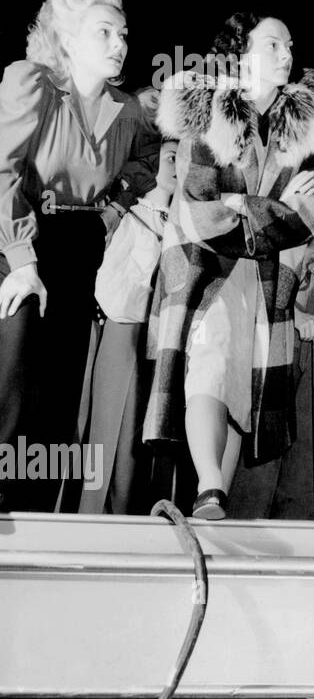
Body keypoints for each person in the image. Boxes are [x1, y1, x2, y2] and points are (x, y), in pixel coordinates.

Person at [143, 13, 314, 520]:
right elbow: (204, 215)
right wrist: (271, 210)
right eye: (273, 43)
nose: (286, 53)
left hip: (267, 278)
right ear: (241, 54)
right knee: (211, 364)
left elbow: (311, 217)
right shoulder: (205, 114)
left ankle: (214, 502)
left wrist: (244, 205)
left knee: (244, 384)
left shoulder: (305, 130)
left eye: (289, 44)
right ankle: (210, 486)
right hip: (204, 270)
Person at [0, 0, 158, 513]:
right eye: (105, 32)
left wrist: (112, 207)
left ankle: (41, 519)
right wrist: (21, 261)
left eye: (124, 33)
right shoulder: (31, 83)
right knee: (14, 389)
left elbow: (148, 163)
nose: (120, 44)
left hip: (80, 249)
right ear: (68, 39)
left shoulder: (130, 110)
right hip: (18, 239)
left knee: (62, 399)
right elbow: (1, 170)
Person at [229, 135, 314, 521]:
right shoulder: (272, 180)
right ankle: (243, 542)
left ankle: (302, 545)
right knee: (267, 437)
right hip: (277, 313)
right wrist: (292, 309)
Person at [78, 133, 178, 514]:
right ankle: (85, 521)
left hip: (155, 341)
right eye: (170, 157)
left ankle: (123, 523)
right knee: (102, 439)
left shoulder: (178, 223)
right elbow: (110, 289)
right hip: (122, 332)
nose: (177, 166)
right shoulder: (134, 218)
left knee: (134, 449)